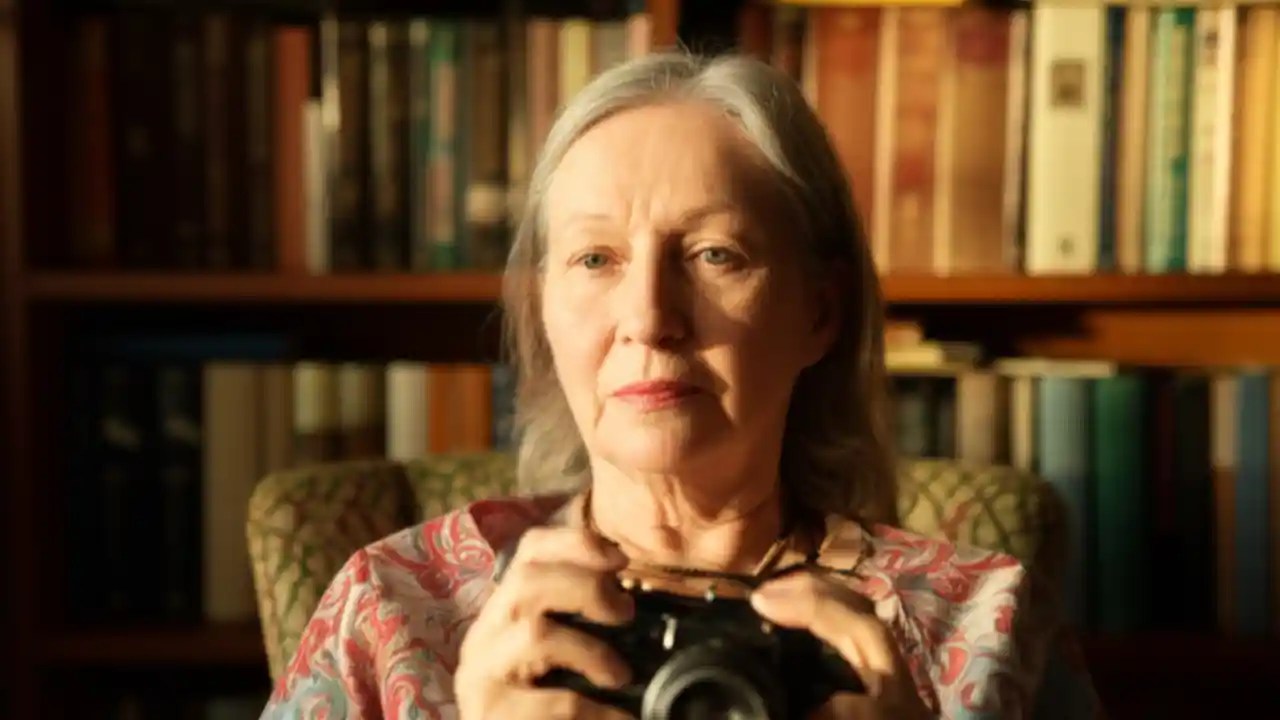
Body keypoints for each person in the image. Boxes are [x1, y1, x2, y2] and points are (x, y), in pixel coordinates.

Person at [261, 50, 1100, 719]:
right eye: (597, 259)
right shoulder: (396, 613)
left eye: (714, 256)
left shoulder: (984, 624)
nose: (650, 316)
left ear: (819, 311)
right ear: (546, 310)